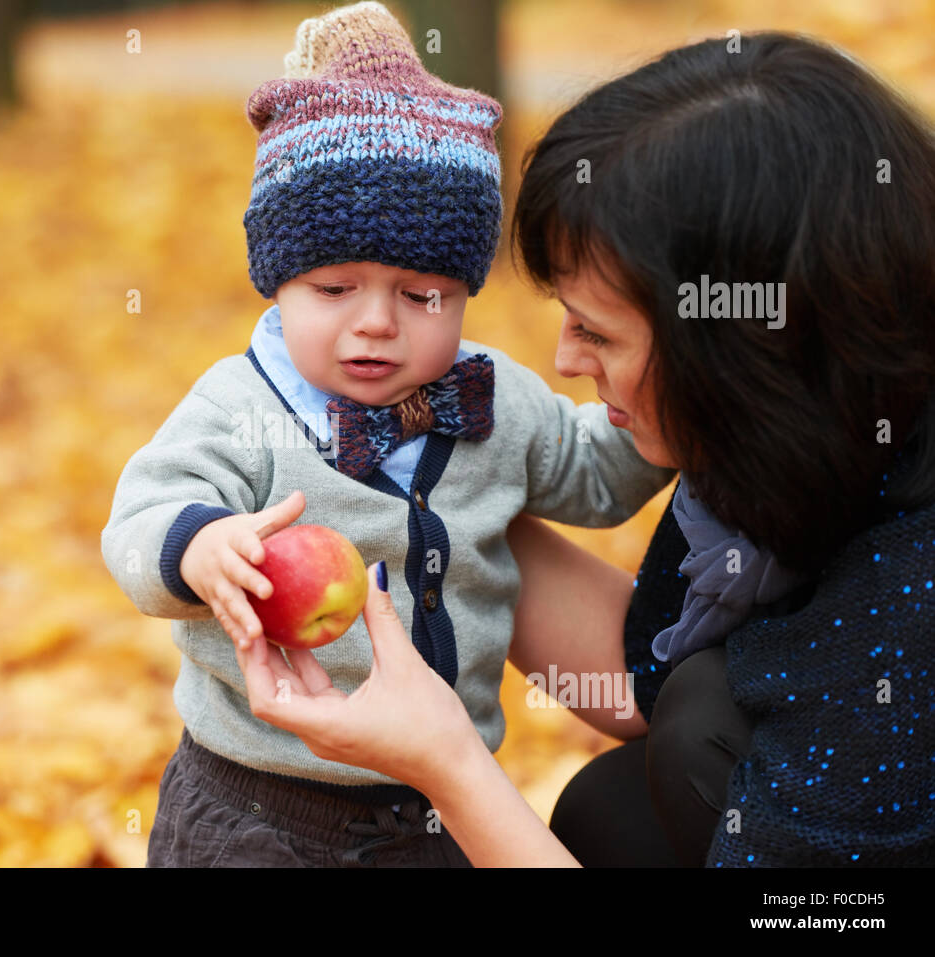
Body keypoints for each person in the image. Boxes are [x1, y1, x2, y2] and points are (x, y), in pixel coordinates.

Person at [236, 30, 935, 866]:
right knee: (627, 796)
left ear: (742, 351)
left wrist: (448, 765)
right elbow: (650, 673)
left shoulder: (900, 615)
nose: (565, 361)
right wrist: (416, 502)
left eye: (598, 334)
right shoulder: (805, 435)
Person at [100, 1, 674, 867]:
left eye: (421, 296)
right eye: (334, 289)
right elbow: (141, 516)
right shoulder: (239, 409)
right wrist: (202, 546)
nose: (376, 325)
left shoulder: (495, 399)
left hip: (444, 808)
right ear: (277, 283)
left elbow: (597, 472)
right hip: (263, 805)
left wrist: (692, 401)